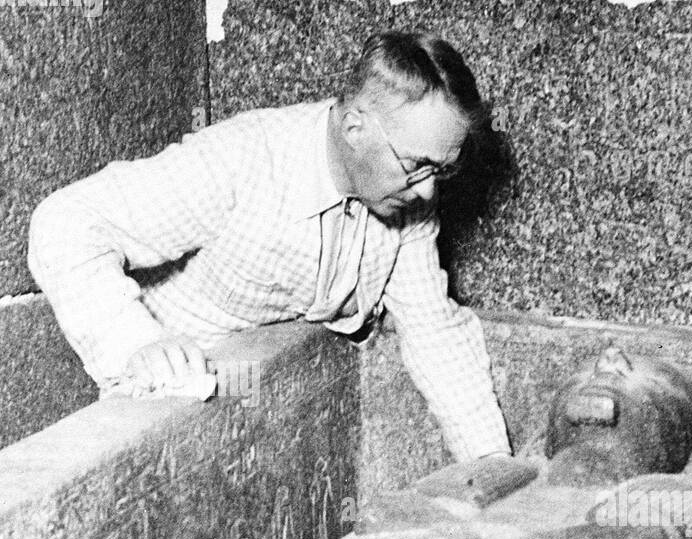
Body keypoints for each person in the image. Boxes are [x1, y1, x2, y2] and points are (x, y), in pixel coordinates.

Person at [27, 29, 511, 461]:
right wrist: (135, 343)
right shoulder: (244, 160)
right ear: (355, 129)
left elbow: (435, 333)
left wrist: (490, 466)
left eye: (441, 169)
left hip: (249, 399)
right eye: (416, 166)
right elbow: (65, 223)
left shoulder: (405, 204)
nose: (428, 190)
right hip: (158, 406)